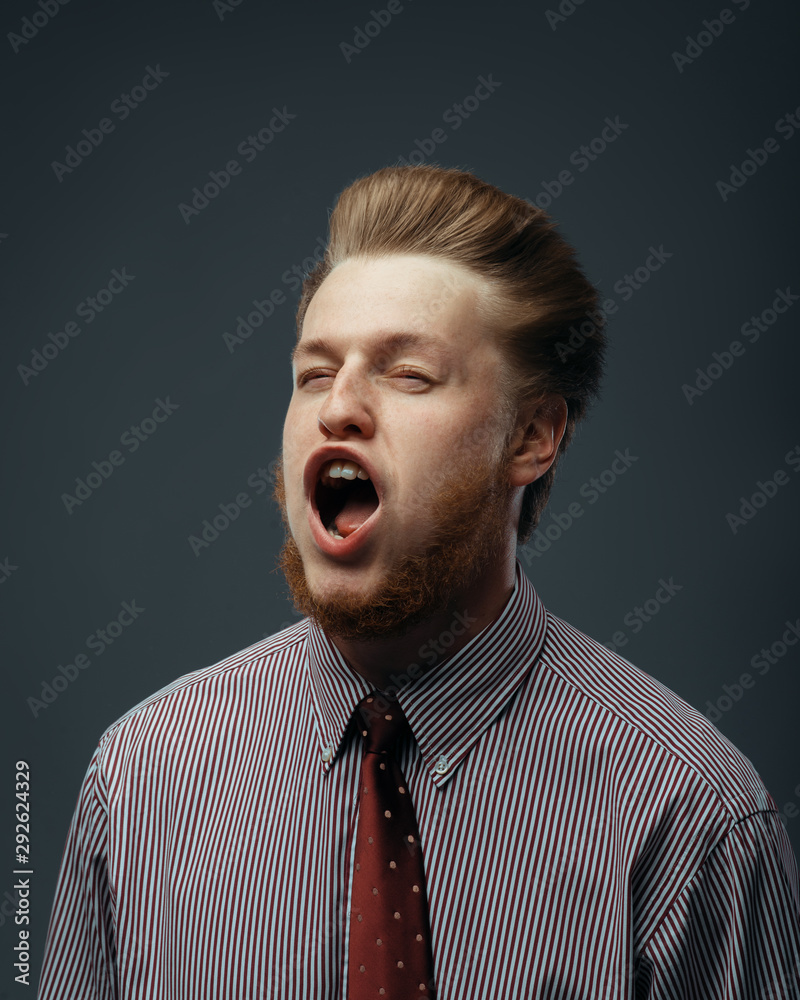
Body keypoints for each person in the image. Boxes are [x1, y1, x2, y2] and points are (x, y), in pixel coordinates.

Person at [39, 164, 800, 999]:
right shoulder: (143, 777)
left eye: (409, 375)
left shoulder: (693, 818)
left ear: (534, 435)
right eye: (316, 373)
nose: (340, 408)